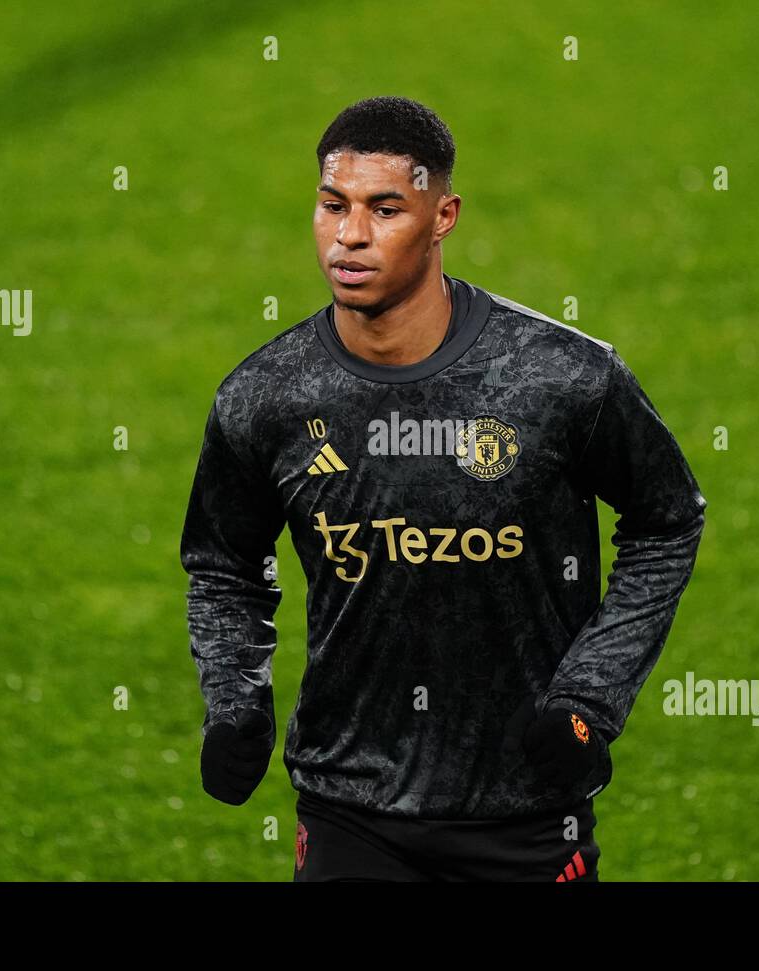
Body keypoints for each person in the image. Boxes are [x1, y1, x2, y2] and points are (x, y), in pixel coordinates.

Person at [179, 95, 708, 882]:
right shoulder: (267, 396)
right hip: (347, 808)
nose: (349, 236)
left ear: (442, 215)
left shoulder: (562, 378)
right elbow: (223, 561)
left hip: (525, 817)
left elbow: (666, 520)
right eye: (333, 206)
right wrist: (235, 699)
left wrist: (588, 699)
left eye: (384, 208)